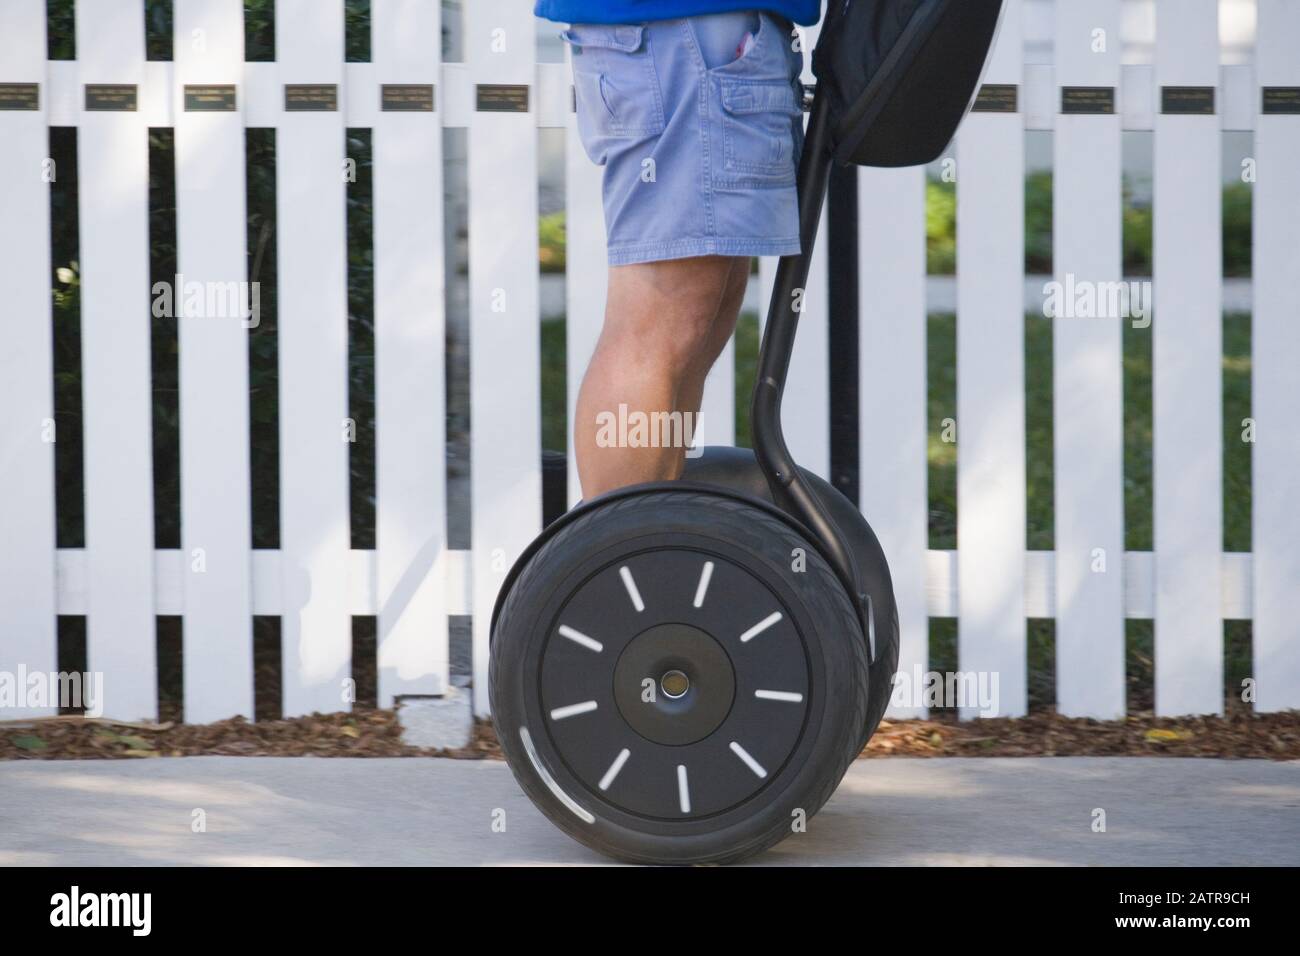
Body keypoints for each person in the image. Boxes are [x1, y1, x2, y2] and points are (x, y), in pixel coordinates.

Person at [534, 2, 822, 498]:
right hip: (687, 32)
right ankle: (614, 556)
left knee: (696, 315)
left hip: (699, 34)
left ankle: (649, 540)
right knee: (660, 322)